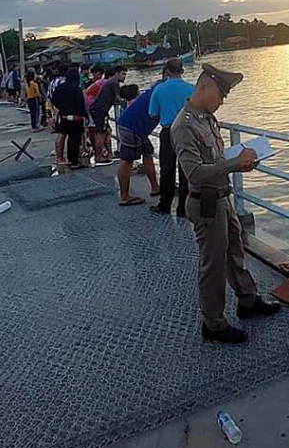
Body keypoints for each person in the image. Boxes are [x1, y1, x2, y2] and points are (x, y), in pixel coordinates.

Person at [171, 64, 280, 344]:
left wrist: (239, 166)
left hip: (222, 198)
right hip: (206, 203)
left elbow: (216, 162)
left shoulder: (206, 118)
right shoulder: (184, 126)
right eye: (220, 95)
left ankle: (247, 301)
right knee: (213, 265)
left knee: (234, 251)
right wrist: (234, 163)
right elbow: (193, 173)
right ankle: (214, 324)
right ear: (204, 87)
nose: (222, 101)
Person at [149, 58, 193, 217]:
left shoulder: (159, 90)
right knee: (185, 170)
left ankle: (165, 205)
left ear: (166, 71)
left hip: (167, 132)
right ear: (182, 70)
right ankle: (183, 207)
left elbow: (153, 114)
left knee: (167, 169)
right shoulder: (192, 89)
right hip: (186, 132)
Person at [115, 84, 161, 206]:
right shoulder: (162, 93)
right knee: (127, 160)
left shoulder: (155, 90)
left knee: (148, 153)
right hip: (132, 128)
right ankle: (124, 196)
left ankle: (155, 187)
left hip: (137, 128)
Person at [51, 66, 88, 169]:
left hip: (63, 117)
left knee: (61, 136)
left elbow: (53, 100)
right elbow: (80, 104)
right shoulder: (77, 89)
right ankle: (73, 161)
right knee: (74, 140)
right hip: (76, 118)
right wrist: (84, 115)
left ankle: (59, 158)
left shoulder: (59, 88)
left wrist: (61, 107)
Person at [90, 66, 126, 163]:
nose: (124, 77)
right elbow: (118, 99)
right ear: (117, 73)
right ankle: (99, 157)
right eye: (123, 74)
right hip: (100, 110)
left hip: (98, 110)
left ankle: (105, 154)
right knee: (100, 134)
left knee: (106, 131)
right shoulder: (114, 82)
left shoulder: (110, 82)